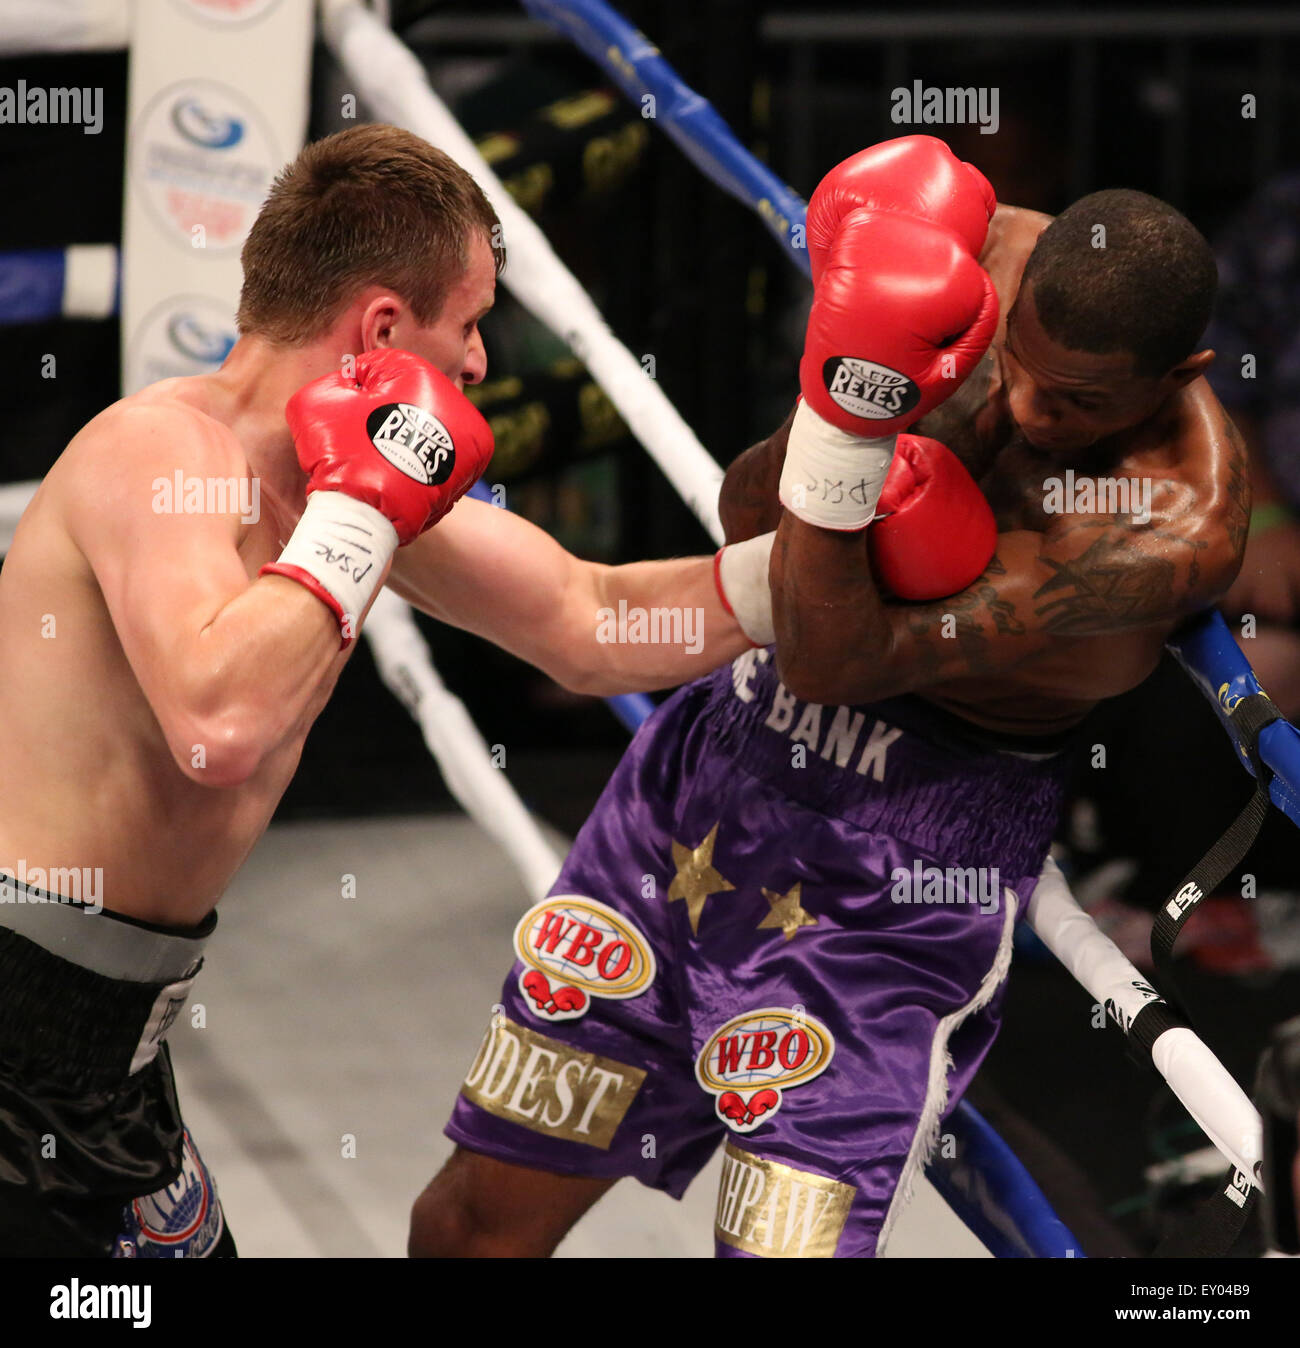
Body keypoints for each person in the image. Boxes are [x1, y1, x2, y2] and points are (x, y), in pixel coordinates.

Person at [412, 140, 1246, 1259]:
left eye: (1082, 398)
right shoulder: (971, 254)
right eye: (1020, 366)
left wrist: (869, 427)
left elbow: (834, 659)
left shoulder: (1164, 525)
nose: (1034, 407)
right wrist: (851, 379)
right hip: (722, 764)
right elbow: (746, 512)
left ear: (1183, 369)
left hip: (904, 873)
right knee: (469, 1224)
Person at [0, 122, 760, 1257]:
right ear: (383, 329)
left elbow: (595, 621)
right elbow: (219, 723)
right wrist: (359, 511)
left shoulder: (342, 483)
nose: (480, 365)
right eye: (471, 322)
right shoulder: (157, 455)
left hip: (110, 1051)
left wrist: (824, 556)